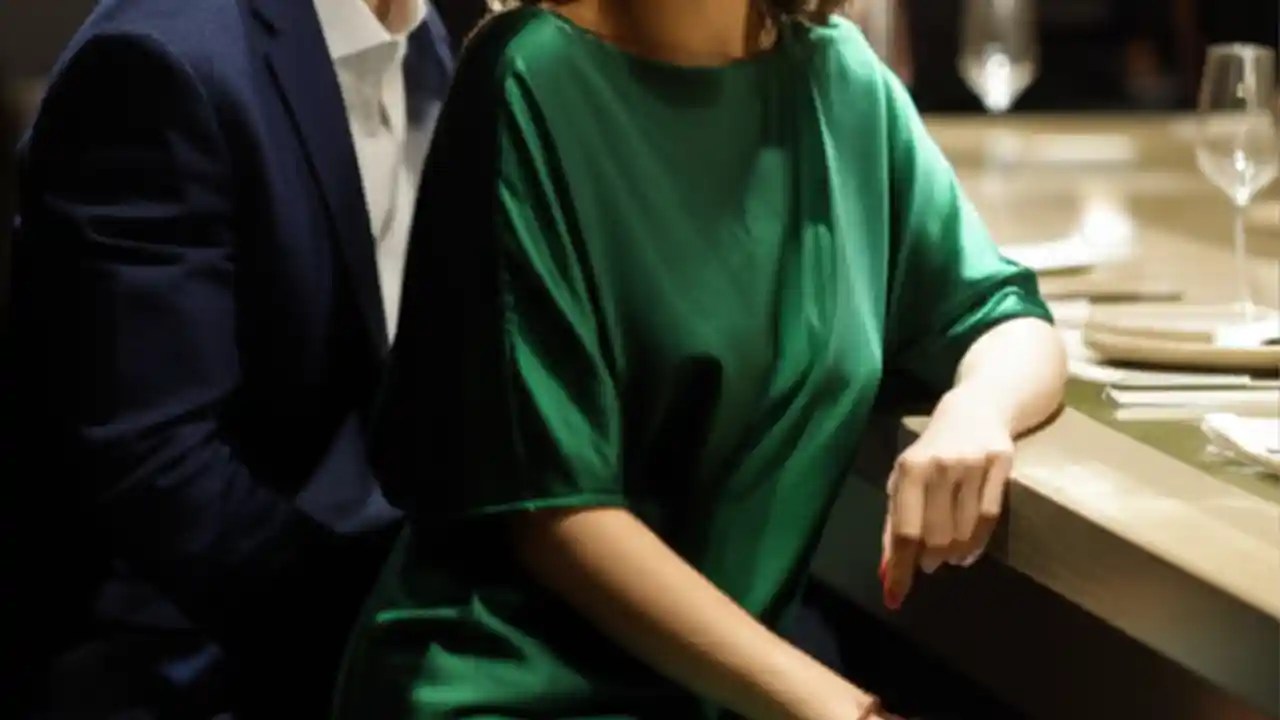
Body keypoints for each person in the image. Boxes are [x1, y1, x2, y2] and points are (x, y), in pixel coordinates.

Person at [338, 1, 1067, 718]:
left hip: (724, 693)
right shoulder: (527, 75)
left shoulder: (840, 82)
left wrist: (975, 409)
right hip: (505, 689)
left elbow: (1006, 318)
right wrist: (844, 710)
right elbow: (553, 513)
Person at [7, 0, 454, 716]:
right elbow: (152, 464)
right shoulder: (160, 62)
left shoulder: (421, 34)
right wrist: (398, 632)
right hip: (189, 659)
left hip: (358, 586)